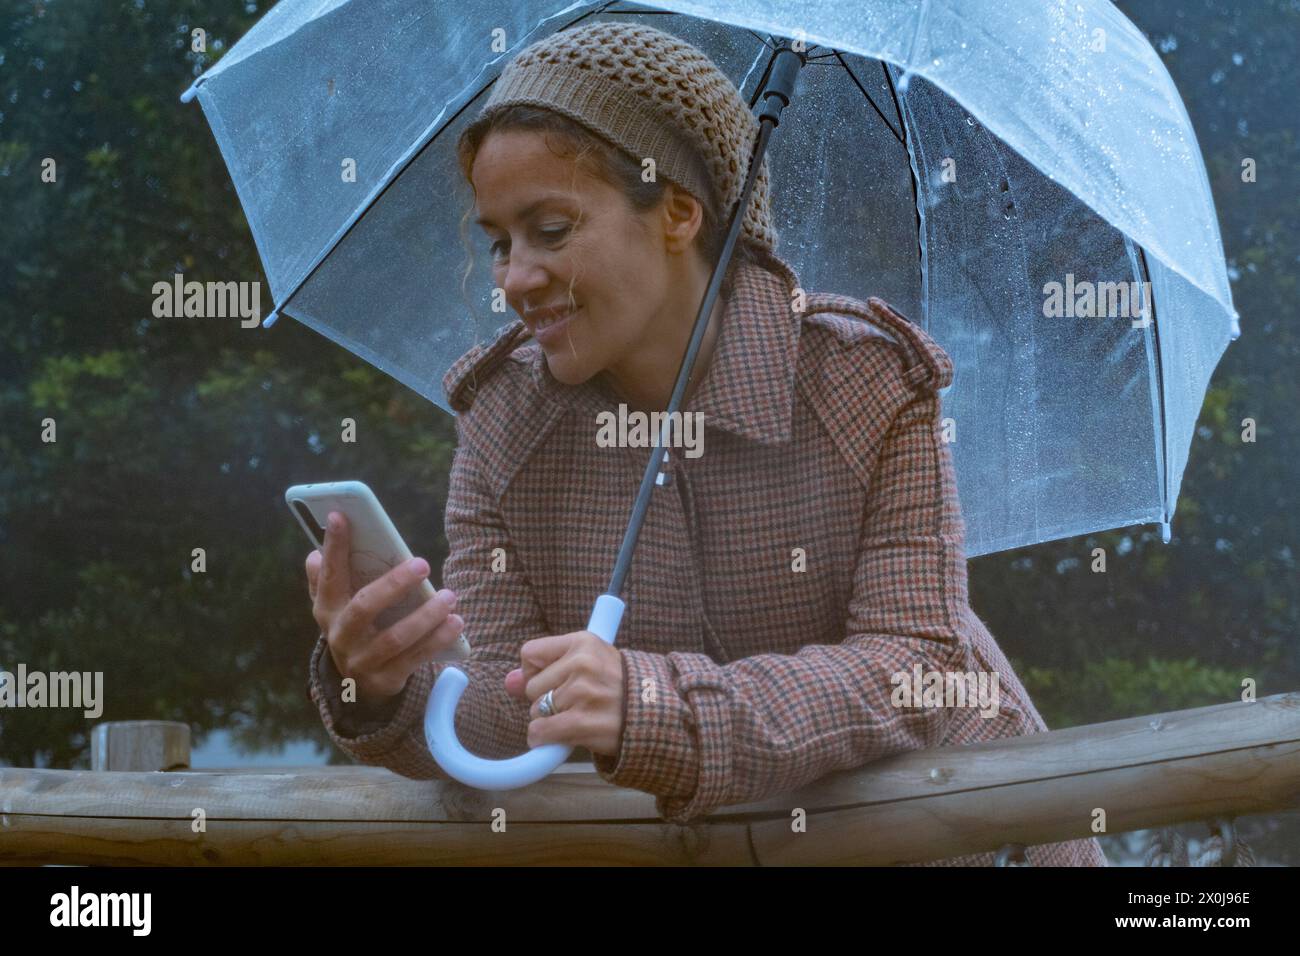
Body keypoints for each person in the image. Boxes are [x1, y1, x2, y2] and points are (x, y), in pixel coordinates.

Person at [304, 20, 1106, 866]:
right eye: (499, 243)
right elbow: (510, 716)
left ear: (678, 212)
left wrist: (651, 706)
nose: (513, 280)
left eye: (550, 229)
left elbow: (911, 671)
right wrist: (382, 686)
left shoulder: (870, 383)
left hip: (972, 840)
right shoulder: (502, 424)